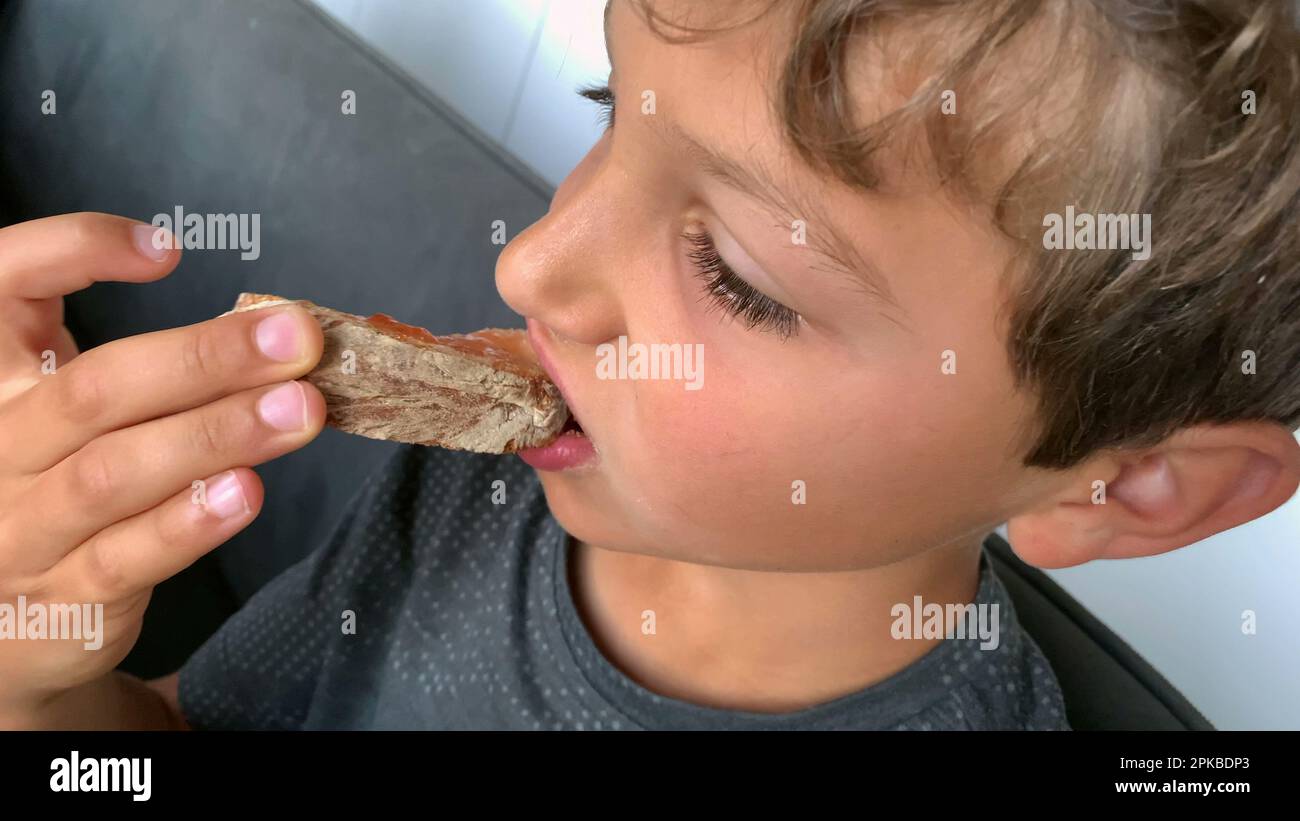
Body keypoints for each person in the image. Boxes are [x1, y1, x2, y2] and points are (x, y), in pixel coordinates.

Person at [1, 0, 1296, 730]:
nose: (529, 268)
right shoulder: (491, 488)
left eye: (736, 274)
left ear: (1127, 487)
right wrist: (43, 668)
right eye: (610, 110)